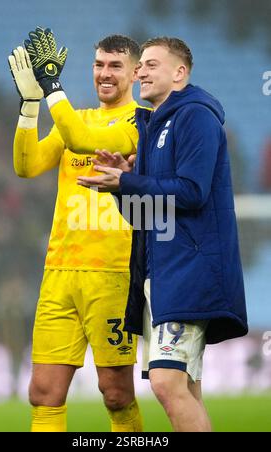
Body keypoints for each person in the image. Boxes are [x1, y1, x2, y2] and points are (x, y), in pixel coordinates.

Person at [77, 37, 248, 432]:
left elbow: (192, 190)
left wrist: (130, 181)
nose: (141, 72)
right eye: (141, 66)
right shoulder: (153, 127)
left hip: (190, 270)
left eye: (152, 65)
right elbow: (145, 212)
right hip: (162, 272)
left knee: (166, 383)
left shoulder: (195, 117)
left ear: (180, 73)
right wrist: (122, 185)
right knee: (185, 387)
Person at [8, 30, 144, 432]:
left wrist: (52, 84)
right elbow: (27, 165)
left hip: (112, 276)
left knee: (116, 394)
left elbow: (85, 141)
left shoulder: (142, 122)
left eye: (115, 66)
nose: (105, 74)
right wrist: (31, 103)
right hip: (59, 274)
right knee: (43, 393)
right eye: (99, 64)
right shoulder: (77, 119)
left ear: (136, 73)